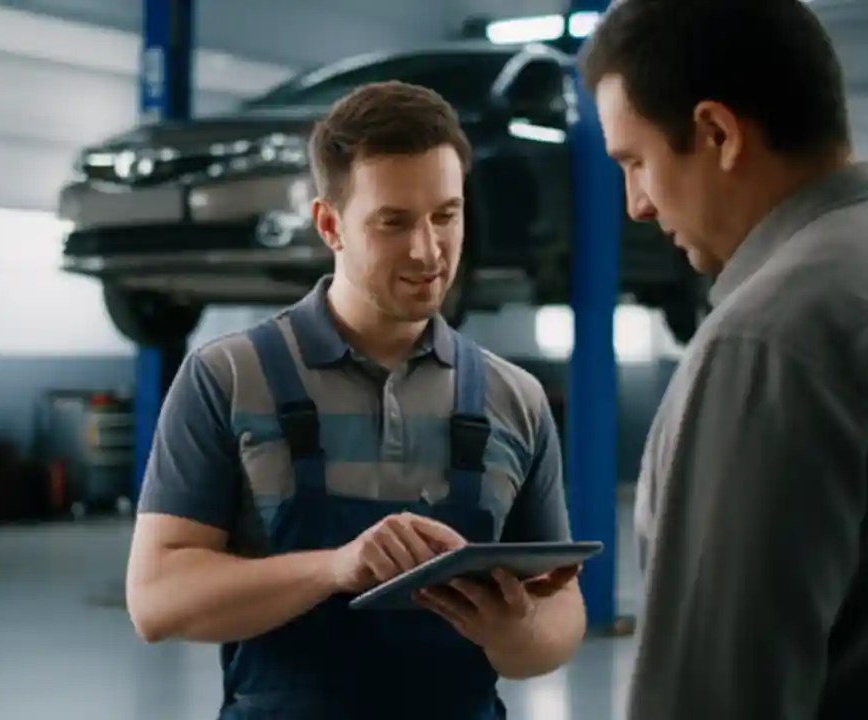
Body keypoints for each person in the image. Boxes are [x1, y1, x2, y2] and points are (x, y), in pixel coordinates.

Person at [579, 0, 868, 718]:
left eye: (636, 162)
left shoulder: (769, 338)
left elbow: (714, 697)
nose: (635, 203)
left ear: (717, 133)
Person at [124, 80, 587, 720]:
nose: (427, 250)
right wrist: (335, 569)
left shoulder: (516, 399)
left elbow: (560, 611)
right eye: (393, 222)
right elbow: (156, 600)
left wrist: (514, 632)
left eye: (446, 216)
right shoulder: (227, 378)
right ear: (329, 224)